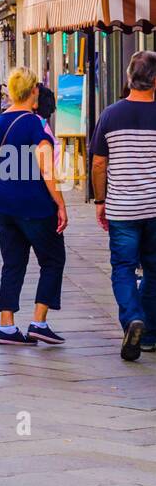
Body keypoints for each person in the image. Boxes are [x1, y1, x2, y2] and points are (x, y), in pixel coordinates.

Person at [0, 68, 68, 346]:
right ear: (33, 90)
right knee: (53, 260)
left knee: (12, 264)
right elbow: (46, 169)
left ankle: (6, 326)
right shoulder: (35, 124)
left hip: (7, 203)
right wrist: (60, 203)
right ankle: (39, 321)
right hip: (35, 205)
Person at [90, 50, 156, 363]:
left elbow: (99, 163)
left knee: (124, 269)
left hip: (122, 209)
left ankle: (132, 319)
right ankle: (149, 334)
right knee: (155, 270)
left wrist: (100, 200)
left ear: (129, 77)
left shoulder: (110, 115)